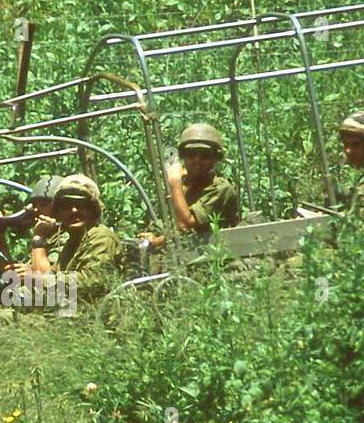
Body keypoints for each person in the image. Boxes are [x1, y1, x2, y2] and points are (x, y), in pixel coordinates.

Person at [141, 123, 243, 249]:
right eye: (191, 154)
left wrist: (174, 183)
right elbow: (176, 230)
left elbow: (186, 224)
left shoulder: (221, 189)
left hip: (213, 257)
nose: (197, 160)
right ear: (183, 156)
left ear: (216, 158)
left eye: (204, 155)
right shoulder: (185, 185)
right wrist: (154, 238)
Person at [25, 173, 124, 302]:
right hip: (68, 307)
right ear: (59, 211)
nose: (74, 210)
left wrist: (38, 280)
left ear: (93, 209)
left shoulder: (100, 237)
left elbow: (91, 282)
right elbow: (53, 275)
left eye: (81, 205)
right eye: (66, 205)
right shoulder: (74, 239)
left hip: (91, 312)